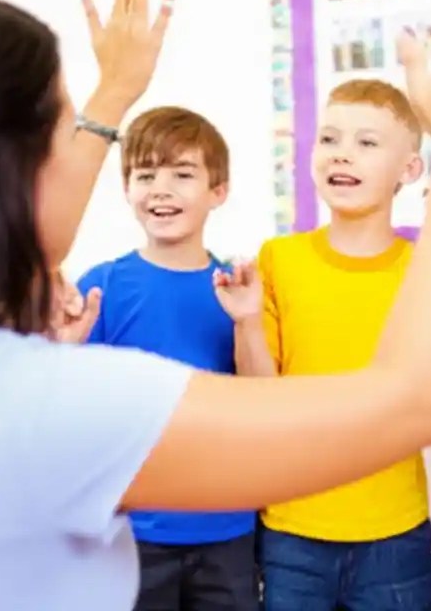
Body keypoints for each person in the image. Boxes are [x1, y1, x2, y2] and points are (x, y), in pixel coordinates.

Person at [0, 0, 431, 611]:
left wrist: (114, 92)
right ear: (8, 178)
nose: (84, 153)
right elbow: (411, 404)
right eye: (67, 133)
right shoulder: (28, 404)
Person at [233, 77, 431, 610]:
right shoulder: (280, 258)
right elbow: (263, 399)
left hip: (395, 533)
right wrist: (248, 321)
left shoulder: (427, 271)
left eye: (367, 143)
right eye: (329, 139)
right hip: (292, 531)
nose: (342, 155)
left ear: (410, 169)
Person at [76, 107, 260, 610]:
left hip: (227, 526)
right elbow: (73, 407)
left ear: (217, 192)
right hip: (131, 529)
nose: (161, 188)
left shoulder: (237, 288)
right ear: (127, 189)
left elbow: (263, 395)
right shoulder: (102, 285)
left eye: (182, 175)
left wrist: (248, 321)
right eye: (146, 174)